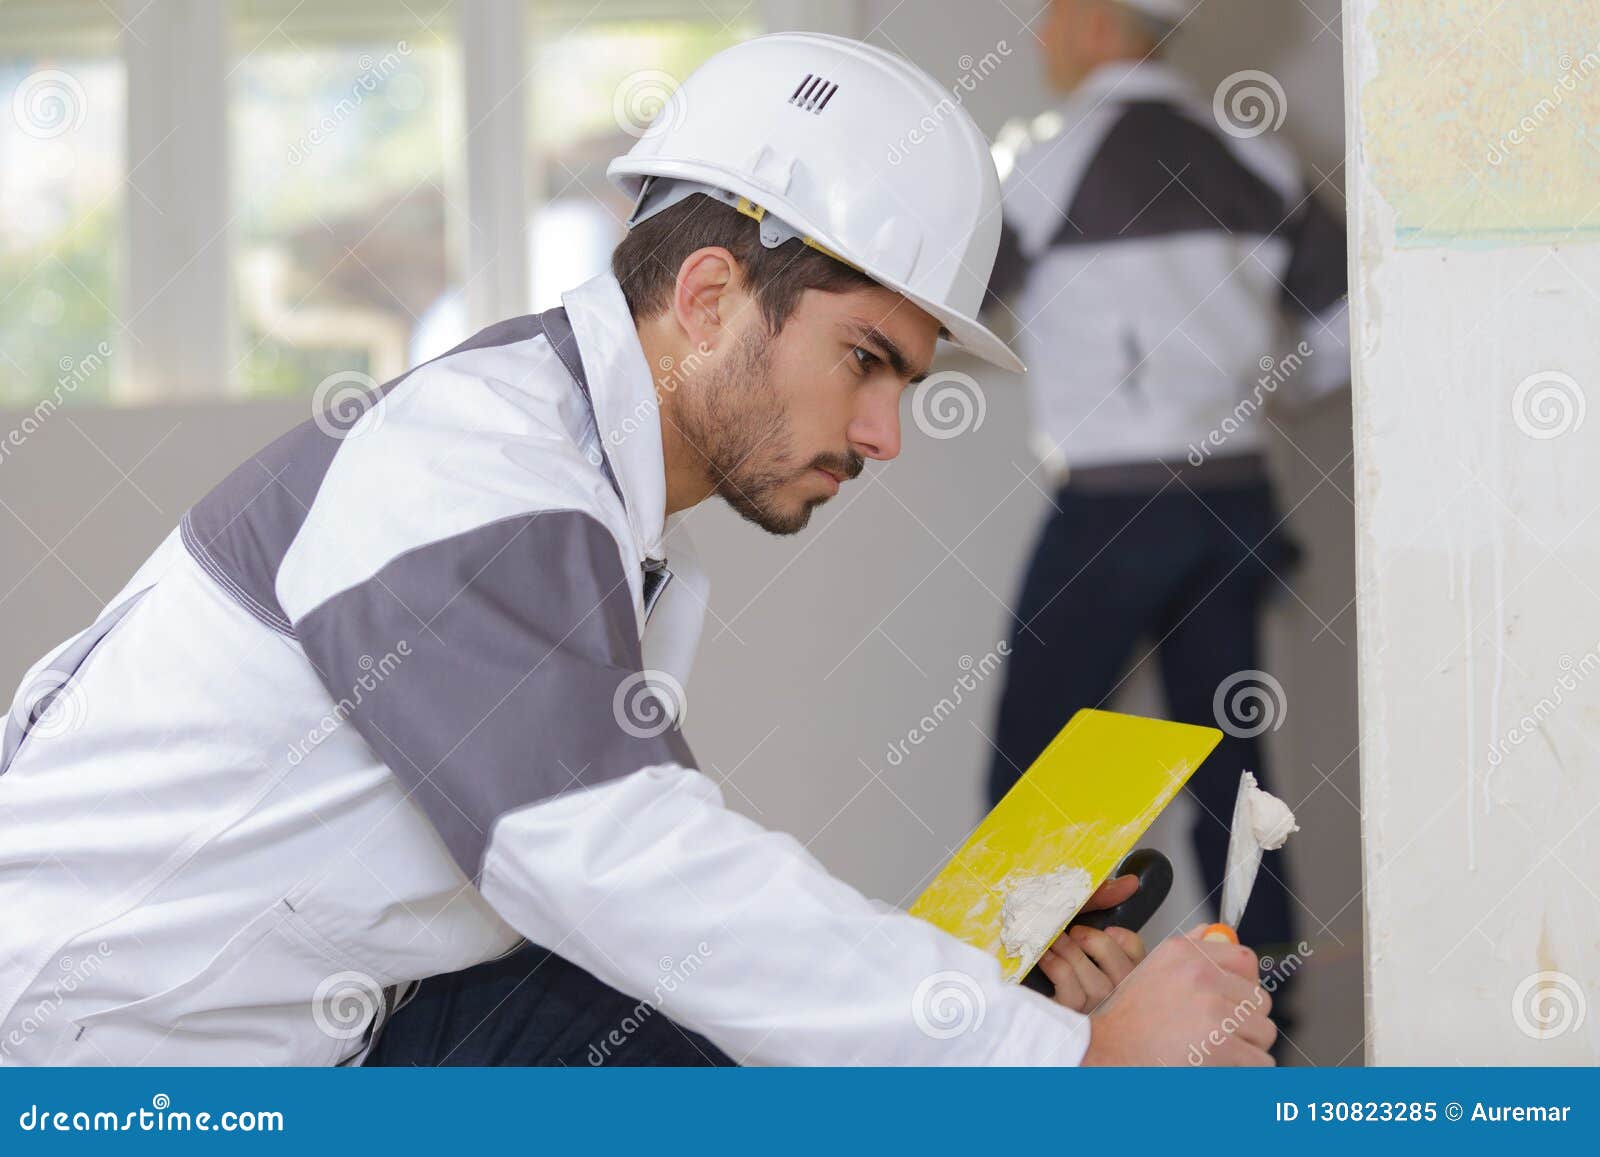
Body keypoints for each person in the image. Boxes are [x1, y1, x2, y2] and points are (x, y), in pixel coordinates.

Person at [0, 31, 1274, 1068]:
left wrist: (972, 983)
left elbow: (660, 896)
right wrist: (1062, 1061)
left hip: (315, 1031)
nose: (888, 433)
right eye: (865, 361)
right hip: (100, 1073)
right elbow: (626, 869)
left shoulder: (571, 477)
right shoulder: (472, 468)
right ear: (711, 297)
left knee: (669, 1026)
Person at [981, 0, 1350, 1034]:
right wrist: (1238, 385)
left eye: (1051, 14)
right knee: (1233, 777)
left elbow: (951, 316)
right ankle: (1265, 1026)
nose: (1037, 36)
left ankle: (1017, 1028)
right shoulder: (1258, 157)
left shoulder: (1049, 163)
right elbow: (1347, 333)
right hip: (1232, 499)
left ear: (1099, 21)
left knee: (1040, 779)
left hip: (1108, 506)